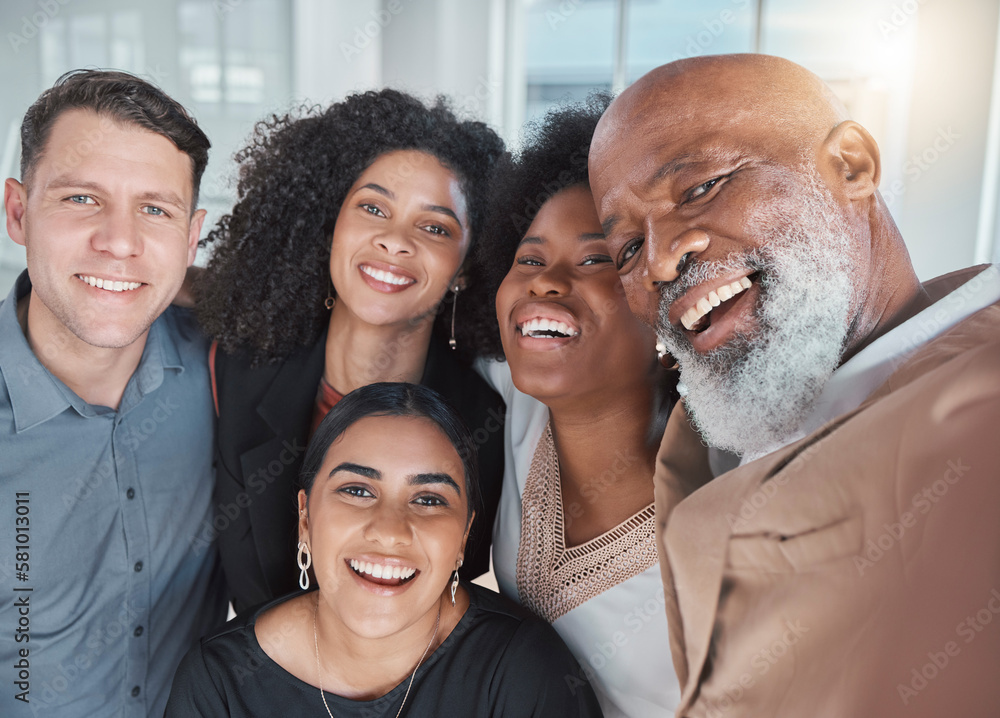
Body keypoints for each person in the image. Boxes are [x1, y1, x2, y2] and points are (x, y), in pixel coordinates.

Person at [588, 53, 1000, 718]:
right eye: (628, 250)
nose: (661, 260)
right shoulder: (701, 445)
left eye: (700, 188)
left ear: (850, 167)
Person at [193, 90, 507, 615]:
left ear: (468, 265)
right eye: (372, 207)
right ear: (330, 225)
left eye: (434, 227)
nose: (395, 241)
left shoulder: (486, 429)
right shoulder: (234, 369)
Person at [165, 381, 603, 717]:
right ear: (305, 517)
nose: (390, 531)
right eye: (357, 490)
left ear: (464, 539)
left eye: (430, 499)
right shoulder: (219, 681)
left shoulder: (523, 671)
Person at [0, 70, 226, 717]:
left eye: (154, 209)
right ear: (19, 211)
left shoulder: (226, 362)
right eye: (81, 199)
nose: (119, 242)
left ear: (190, 235)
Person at [474, 97, 680, 717]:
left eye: (596, 259)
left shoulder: (732, 491)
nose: (544, 280)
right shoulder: (517, 400)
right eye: (529, 259)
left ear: (669, 300)